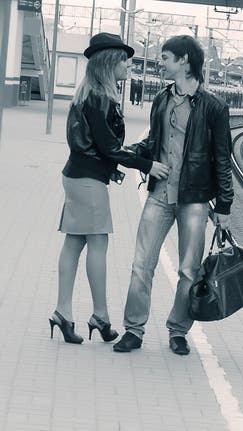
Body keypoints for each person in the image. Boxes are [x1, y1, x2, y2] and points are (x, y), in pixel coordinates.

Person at [113, 34, 234, 356]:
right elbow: (153, 140)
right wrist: (133, 158)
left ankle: (178, 331)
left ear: (184, 61)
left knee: (188, 271)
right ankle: (133, 330)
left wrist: (225, 205)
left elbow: (223, 158)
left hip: (194, 199)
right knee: (142, 265)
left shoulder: (214, 107)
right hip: (159, 195)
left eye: (165, 58)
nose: (160, 64)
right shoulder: (163, 100)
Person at [51, 32, 168, 344]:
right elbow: (108, 147)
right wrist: (147, 166)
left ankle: (63, 312)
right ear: (109, 62)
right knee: (98, 245)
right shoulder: (101, 98)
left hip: (78, 175)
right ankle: (100, 315)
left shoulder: (88, 93)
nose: (128, 65)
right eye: (123, 59)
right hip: (87, 182)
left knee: (74, 243)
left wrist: (110, 169)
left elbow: (95, 146)